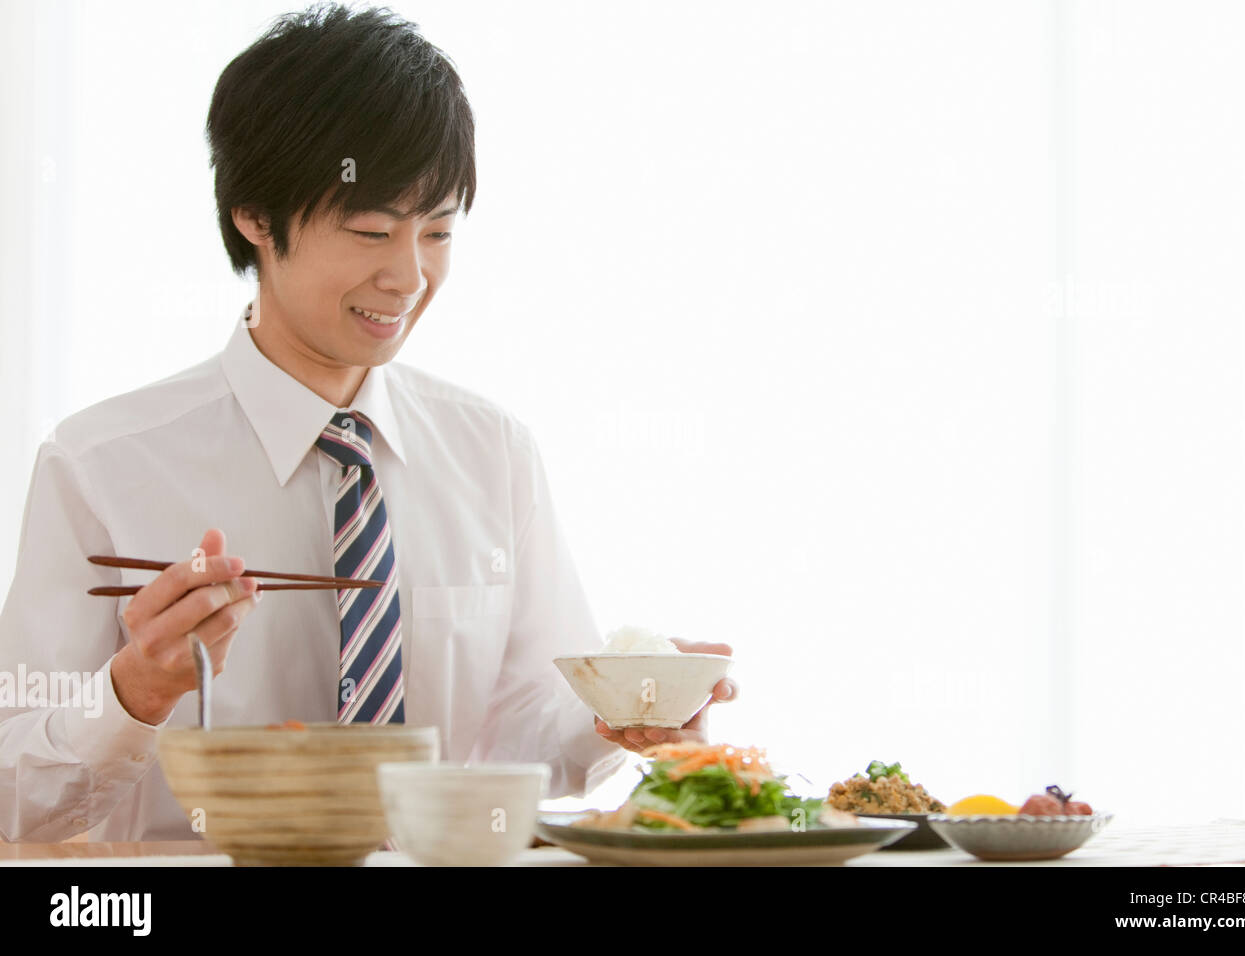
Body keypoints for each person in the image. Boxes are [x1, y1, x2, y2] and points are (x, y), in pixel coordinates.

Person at [0, 2, 735, 843]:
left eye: (438, 232)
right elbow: (15, 797)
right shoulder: (98, 466)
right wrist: (137, 690)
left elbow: (535, 730)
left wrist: (628, 720)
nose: (409, 276)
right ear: (254, 216)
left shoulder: (492, 453)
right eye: (371, 230)